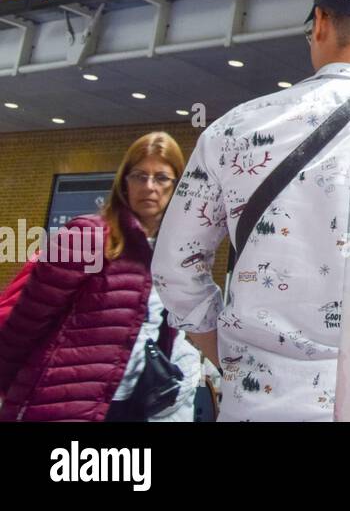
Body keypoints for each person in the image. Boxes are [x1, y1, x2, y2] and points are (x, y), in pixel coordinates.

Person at [154, 0, 350, 421]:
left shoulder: (234, 128)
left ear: (322, 23)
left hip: (260, 401)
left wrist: (228, 353)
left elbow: (174, 270)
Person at [0, 132, 203, 422]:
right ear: (124, 182)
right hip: (63, 402)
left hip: (131, 404)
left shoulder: (172, 254)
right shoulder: (86, 236)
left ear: (176, 187)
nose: (149, 186)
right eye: (139, 175)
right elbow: (25, 324)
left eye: (161, 178)